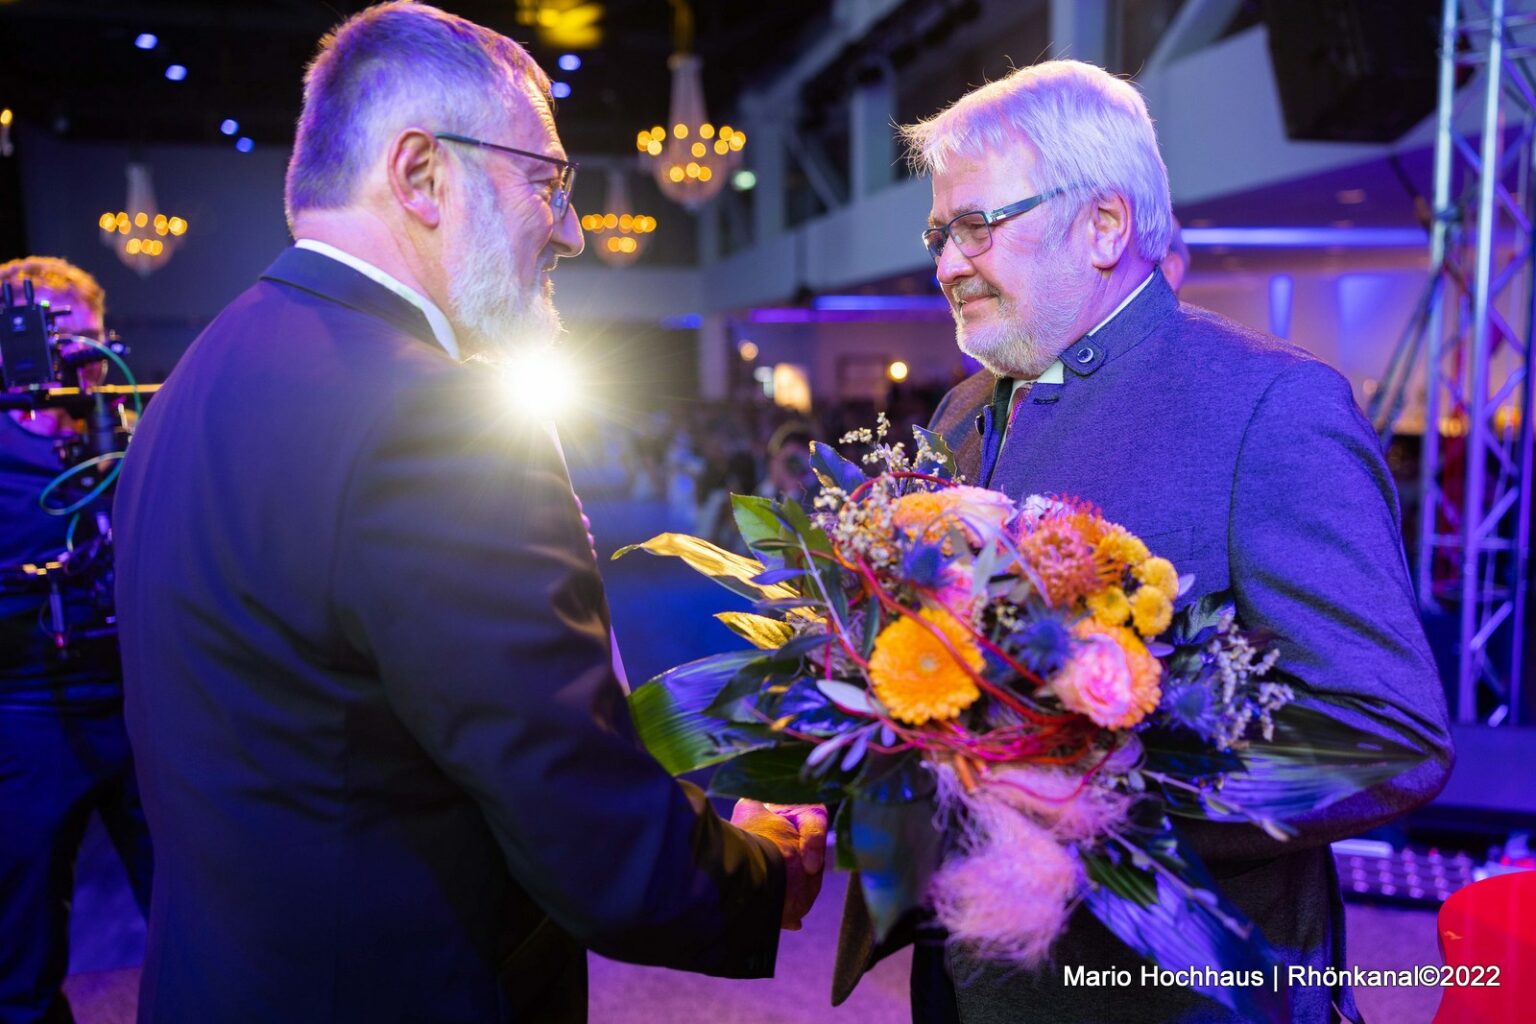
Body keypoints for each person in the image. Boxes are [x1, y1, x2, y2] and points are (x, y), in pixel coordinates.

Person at [112, 5, 823, 1023]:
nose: (572, 229)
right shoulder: (432, 413)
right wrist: (757, 868)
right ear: (420, 175)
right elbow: (578, 818)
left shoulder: (199, 369)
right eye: (548, 181)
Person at [880, 59, 1452, 1023]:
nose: (946, 263)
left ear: (1104, 224)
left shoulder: (1269, 405)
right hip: (970, 977)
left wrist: (1094, 801)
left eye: (978, 226)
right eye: (941, 231)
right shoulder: (966, 408)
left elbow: (1383, 732)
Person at [0, 256, 153, 1024]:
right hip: (26, 710)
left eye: (86, 339)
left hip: (138, 704)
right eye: (53, 337)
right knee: (20, 945)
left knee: (191, 910)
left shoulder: (130, 437)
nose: (73, 358)